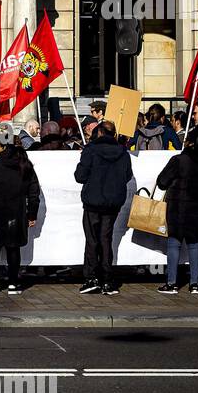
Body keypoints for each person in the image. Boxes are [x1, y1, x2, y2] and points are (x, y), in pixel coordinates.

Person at [0, 137, 41, 295]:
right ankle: (13, 283)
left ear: (3, 147)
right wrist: (32, 214)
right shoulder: (24, 165)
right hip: (16, 214)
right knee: (13, 248)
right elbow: (33, 193)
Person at [73, 119, 132, 295]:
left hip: (93, 200)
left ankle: (92, 278)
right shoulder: (122, 151)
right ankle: (107, 279)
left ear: (99, 133)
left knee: (92, 239)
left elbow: (80, 176)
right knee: (106, 239)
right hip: (113, 202)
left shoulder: (91, 150)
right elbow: (128, 175)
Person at [156, 136, 198, 294]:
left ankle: (171, 283)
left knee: (174, 243)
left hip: (178, 207)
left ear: (189, 144)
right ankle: (195, 284)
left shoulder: (179, 160)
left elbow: (162, 181)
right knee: (194, 243)